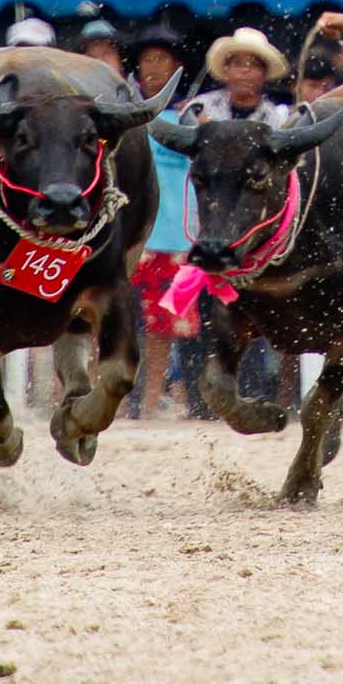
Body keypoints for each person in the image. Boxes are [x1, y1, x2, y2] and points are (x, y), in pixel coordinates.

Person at [125, 24, 197, 419]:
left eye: (162, 60)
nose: (153, 67)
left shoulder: (190, 119)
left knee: (162, 329)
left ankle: (151, 402)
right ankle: (118, 402)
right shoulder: (124, 115)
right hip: (128, 237)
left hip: (173, 238)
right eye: (148, 60)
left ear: (176, 68)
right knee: (114, 321)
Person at [183, 29, 293, 130]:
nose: (245, 70)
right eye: (237, 64)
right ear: (226, 70)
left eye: (254, 65)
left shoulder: (276, 121)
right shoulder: (200, 107)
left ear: (264, 75)